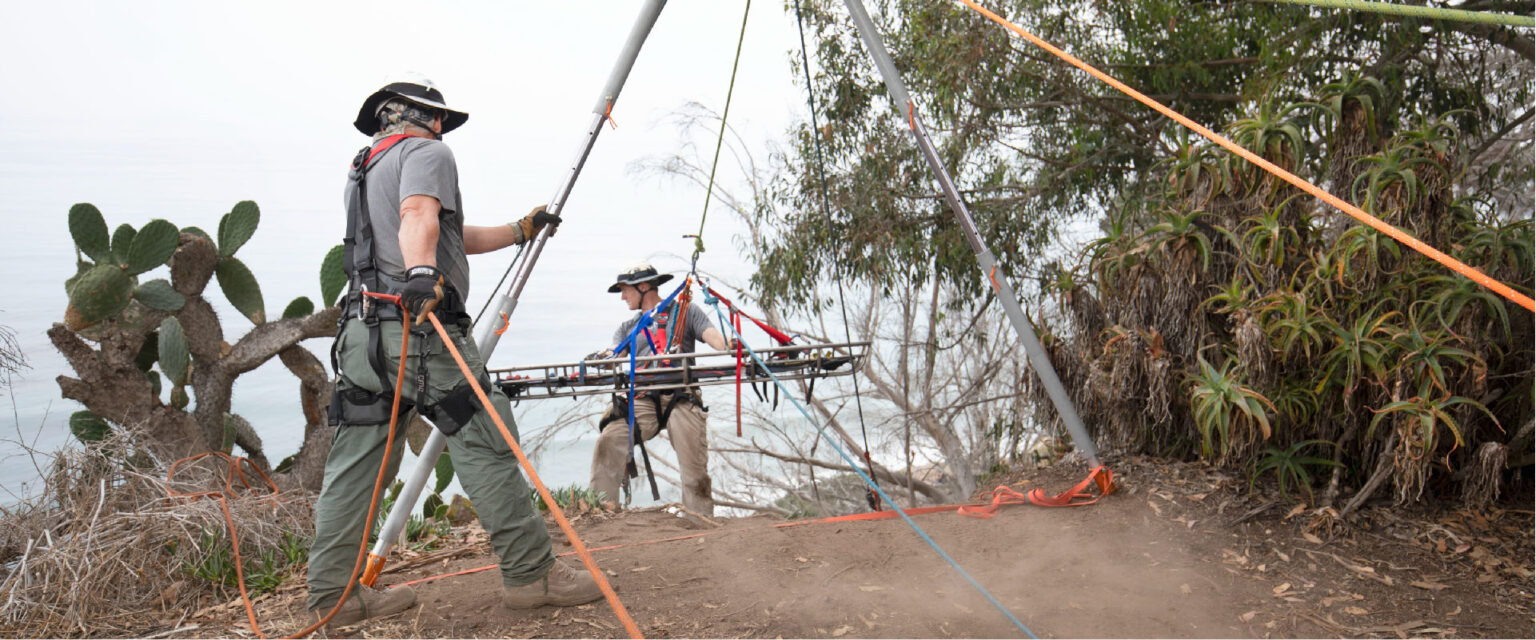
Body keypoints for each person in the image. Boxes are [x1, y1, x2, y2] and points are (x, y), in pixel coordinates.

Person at [307, 73, 600, 628]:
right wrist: (421, 274)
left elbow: (436, 228)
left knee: (355, 466)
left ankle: (332, 598)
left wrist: (520, 229)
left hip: (360, 335)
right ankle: (531, 576)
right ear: (432, 119)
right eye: (442, 120)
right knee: (486, 439)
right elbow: (419, 218)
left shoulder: (365, 166)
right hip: (418, 331)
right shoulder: (428, 152)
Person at [589, 262, 731, 516]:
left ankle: (700, 520)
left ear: (644, 287)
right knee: (610, 439)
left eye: (625, 290)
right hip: (644, 398)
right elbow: (614, 352)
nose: (622, 297)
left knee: (693, 465)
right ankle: (602, 512)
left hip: (681, 396)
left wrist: (728, 343)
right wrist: (603, 357)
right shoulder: (628, 328)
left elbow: (713, 337)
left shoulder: (686, 312)